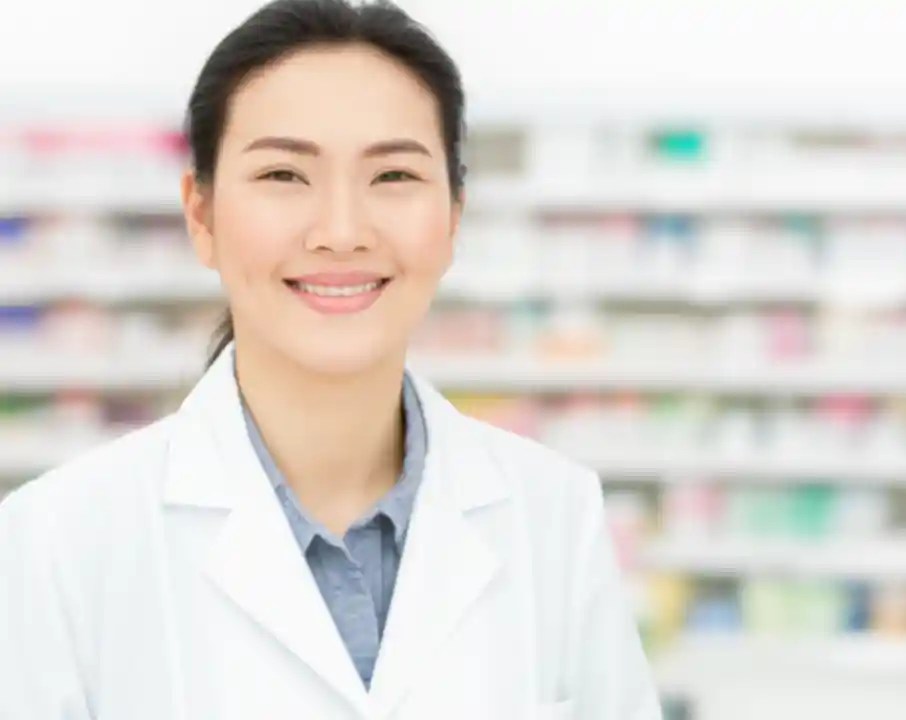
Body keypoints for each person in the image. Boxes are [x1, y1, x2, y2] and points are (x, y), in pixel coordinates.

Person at [0, 1, 662, 717]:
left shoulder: (554, 516)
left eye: (394, 177)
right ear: (202, 214)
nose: (341, 231)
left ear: (455, 216)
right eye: (284, 175)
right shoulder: (55, 541)